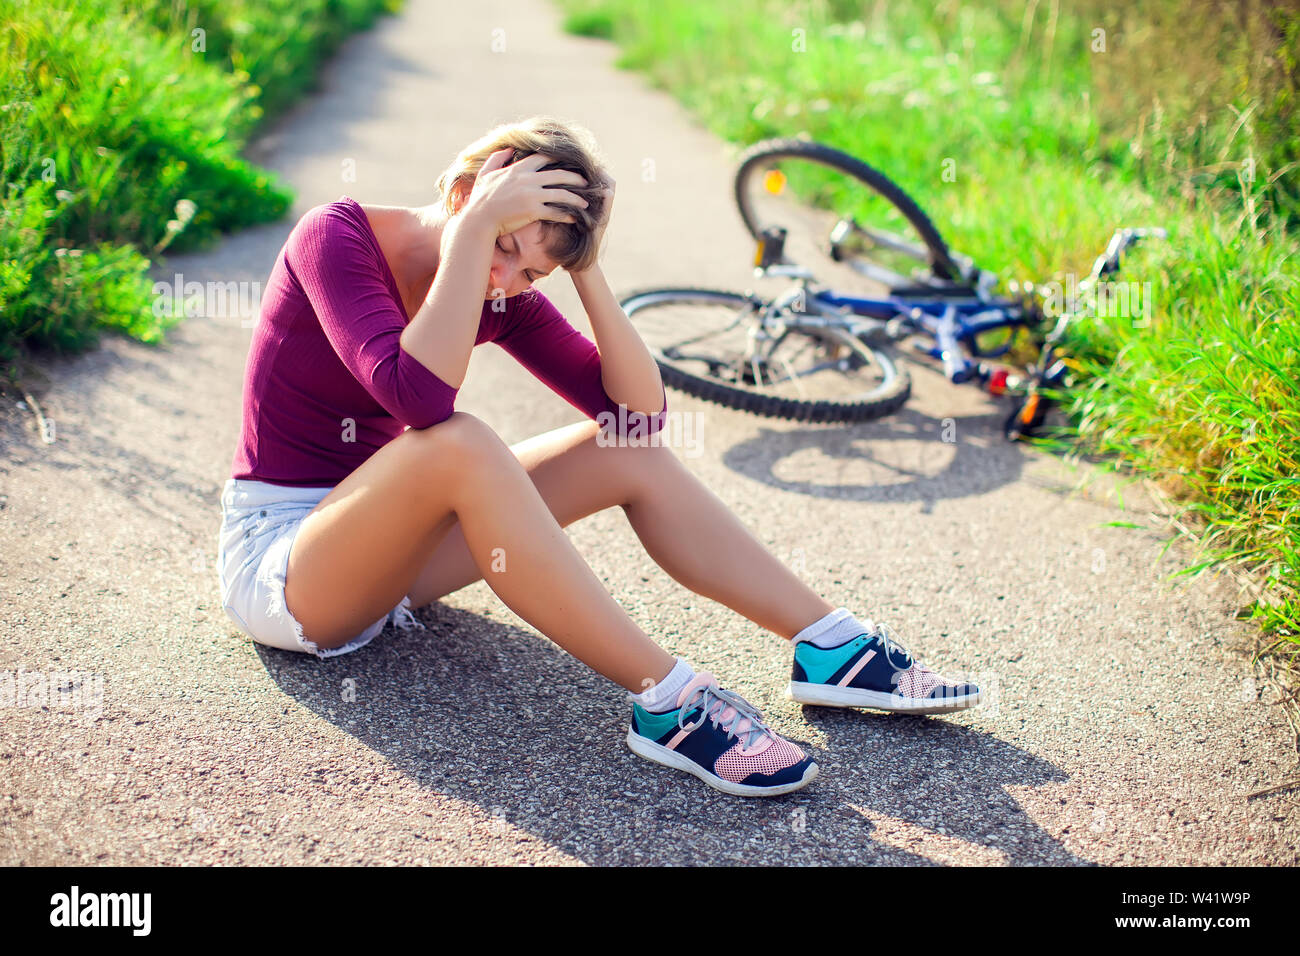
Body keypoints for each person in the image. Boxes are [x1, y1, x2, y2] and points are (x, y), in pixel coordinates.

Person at [216, 116, 982, 798]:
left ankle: (831, 649)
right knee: (458, 442)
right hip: (285, 565)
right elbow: (415, 398)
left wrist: (585, 270)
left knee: (623, 453)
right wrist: (482, 227)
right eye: (504, 246)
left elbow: (639, 418)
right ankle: (671, 702)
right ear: (465, 193)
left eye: (531, 272)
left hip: (386, 558)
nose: (504, 280)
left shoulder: (500, 295)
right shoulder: (336, 237)